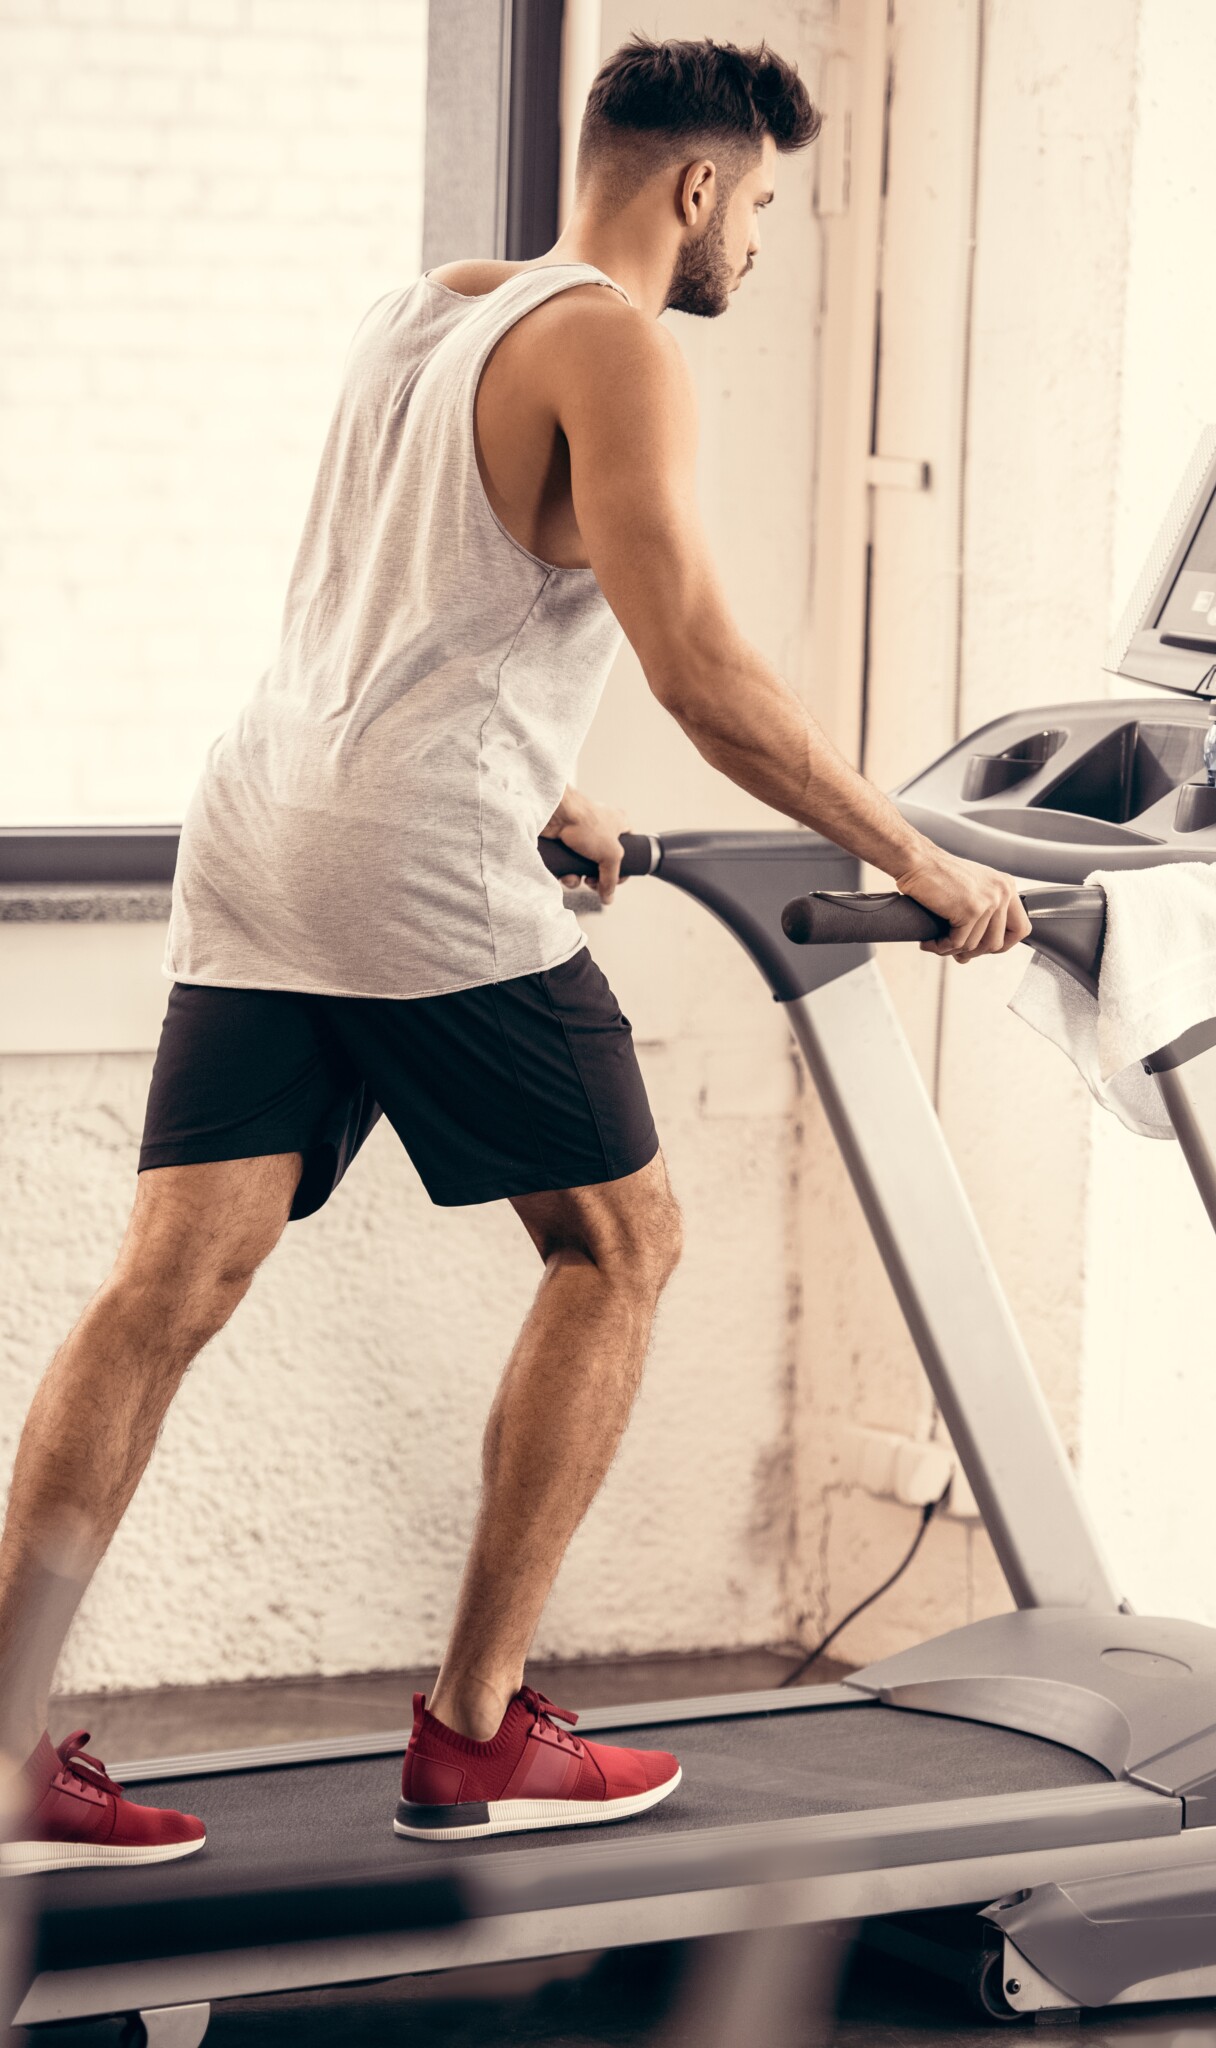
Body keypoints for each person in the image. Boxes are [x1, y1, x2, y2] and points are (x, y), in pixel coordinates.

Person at [0, 35, 1031, 1873]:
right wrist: (920, 857)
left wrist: (545, 780)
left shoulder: (428, 309)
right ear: (697, 185)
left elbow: (408, 595)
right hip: (411, 864)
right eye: (762, 204)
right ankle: (477, 1734)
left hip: (265, 823)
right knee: (620, 1244)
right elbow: (702, 675)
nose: (757, 242)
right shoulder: (615, 347)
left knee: (167, 1284)